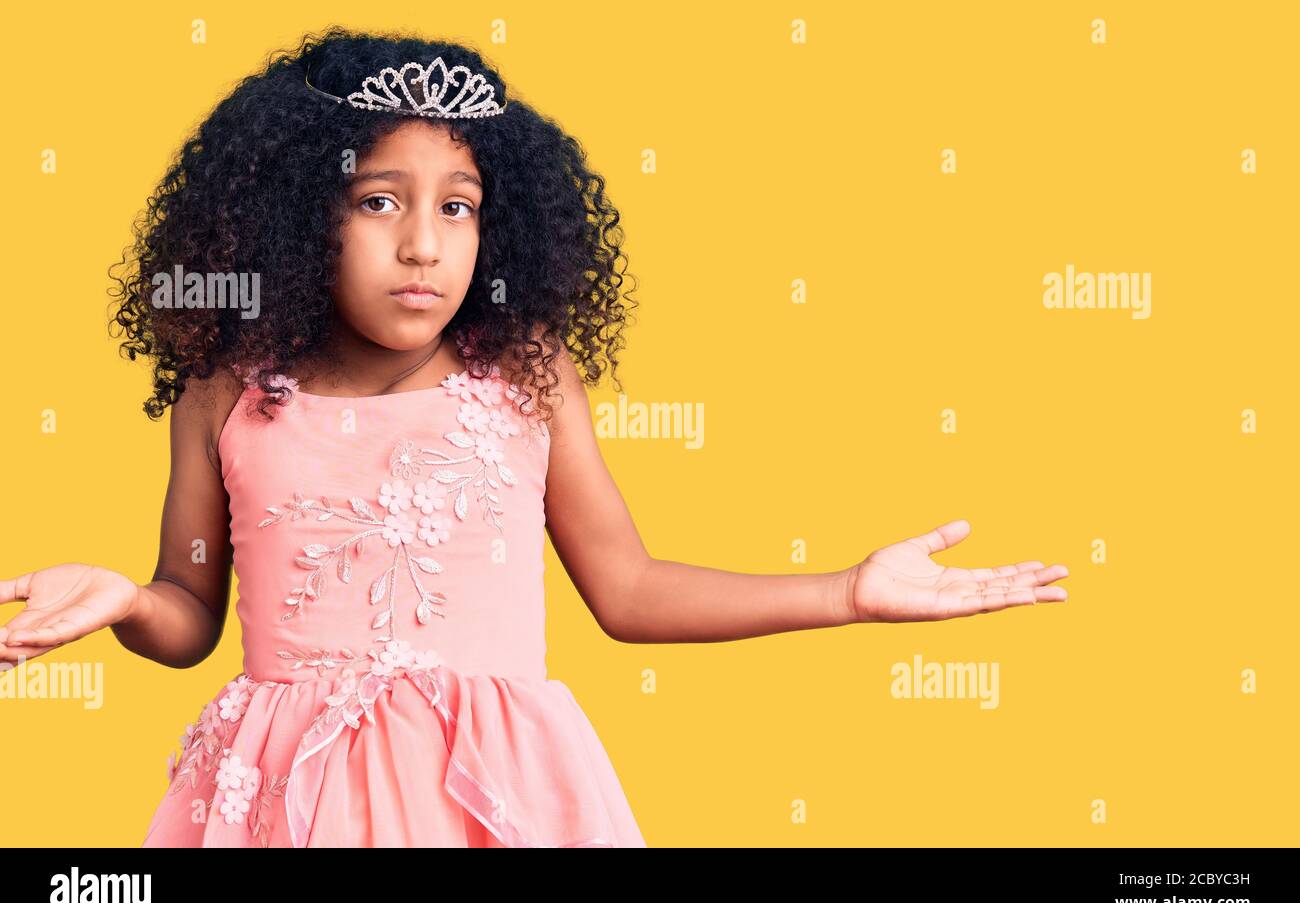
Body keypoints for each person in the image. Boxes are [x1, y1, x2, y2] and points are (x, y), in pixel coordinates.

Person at [0, 28, 1069, 848]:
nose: (423, 244)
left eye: (458, 208)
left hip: (499, 792)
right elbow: (189, 611)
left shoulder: (526, 376)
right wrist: (131, 601)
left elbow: (630, 590)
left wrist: (844, 591)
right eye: (380, 201)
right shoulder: (225, 391)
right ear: (292, 215)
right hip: (286, 796)